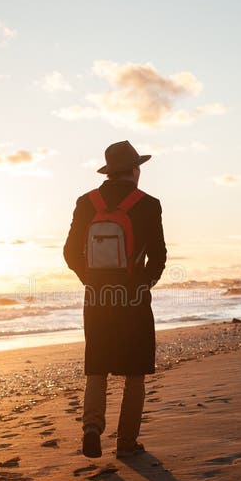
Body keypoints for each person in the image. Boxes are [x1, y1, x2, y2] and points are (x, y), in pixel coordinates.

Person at [63, 140, 167, 459]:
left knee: (98, 366)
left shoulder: (86, 202)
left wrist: (91, 280)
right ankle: (126, 442)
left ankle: (92, 428)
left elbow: (69, 252)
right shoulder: (148, 204)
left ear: (109, 172)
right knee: (134, 373)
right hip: (133, 298)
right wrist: (142, 285)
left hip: (96, 298)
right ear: (134, 170)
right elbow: (159, 256)